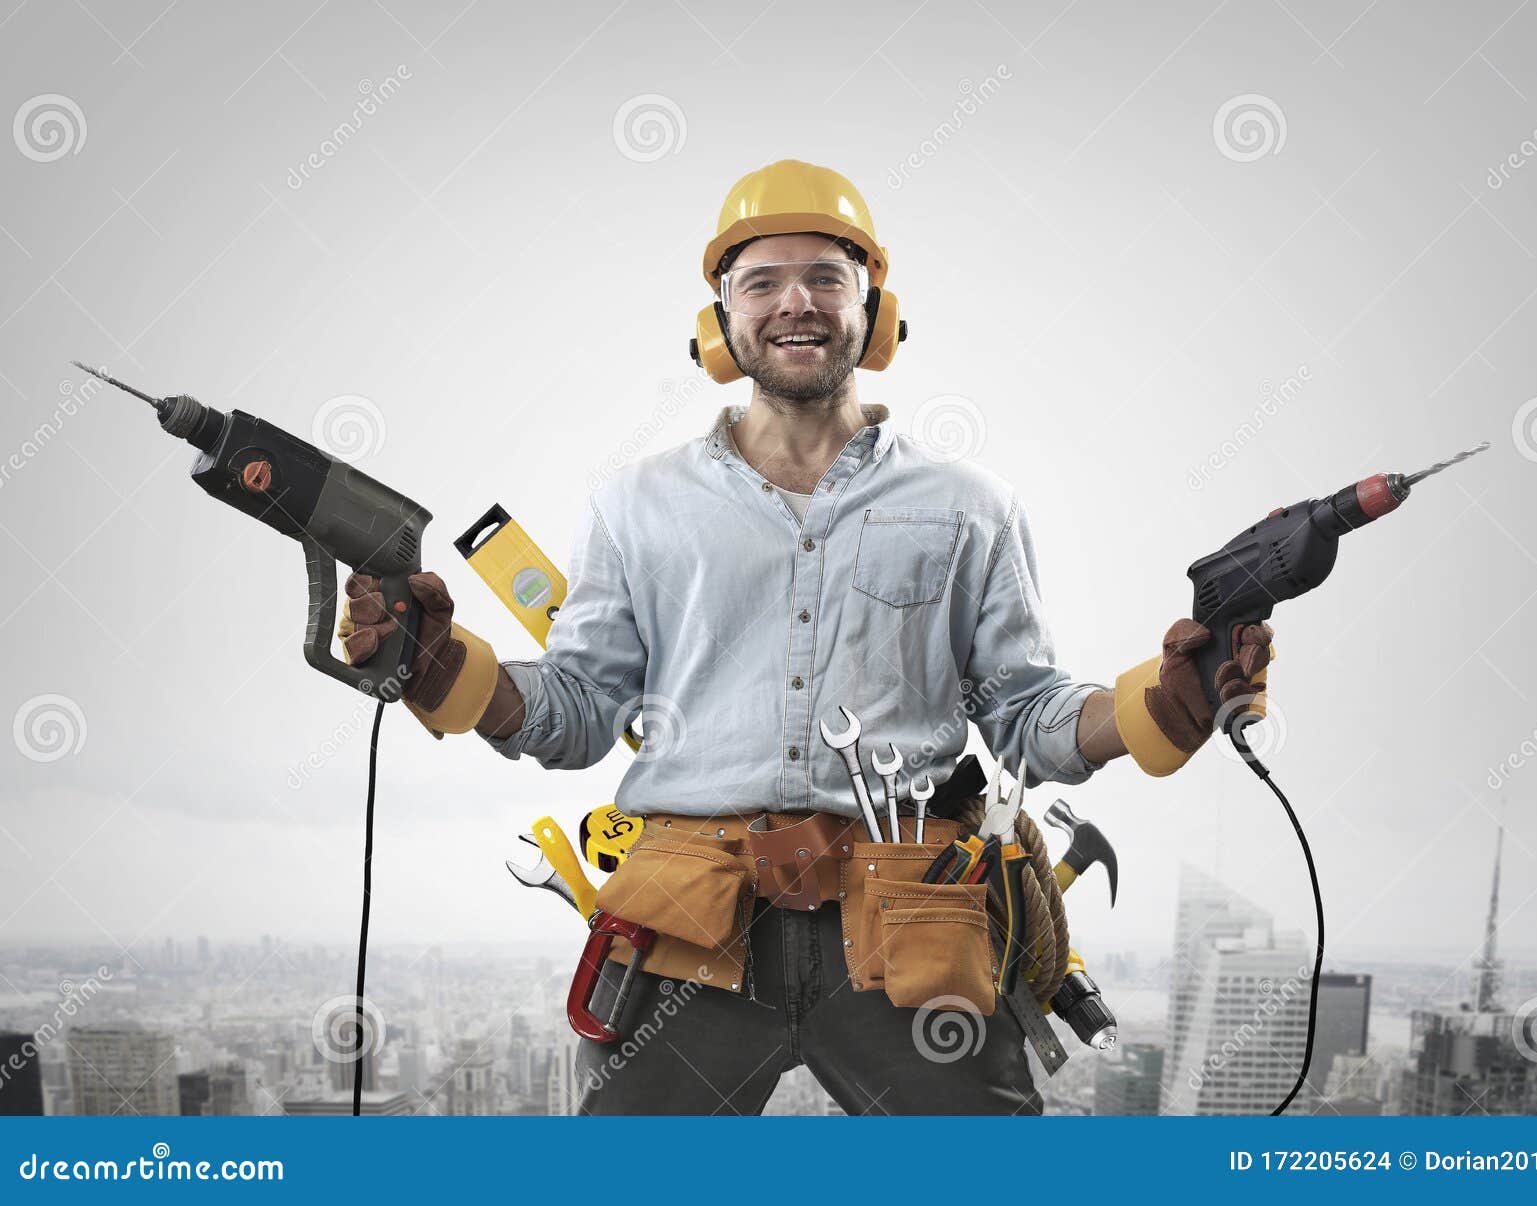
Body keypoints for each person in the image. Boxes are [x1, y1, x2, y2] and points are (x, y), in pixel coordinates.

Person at [340, 159, 1273, 1115]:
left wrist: (1159, 708)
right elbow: (577, 712)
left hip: (909, 923)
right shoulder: (635, 506)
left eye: (827, 277)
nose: (797, 303)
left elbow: (1028, 718)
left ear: (876, 308)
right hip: (688, 932)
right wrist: (438, 667)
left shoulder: (972, 507)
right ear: (720, 318)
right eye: (761, 281)